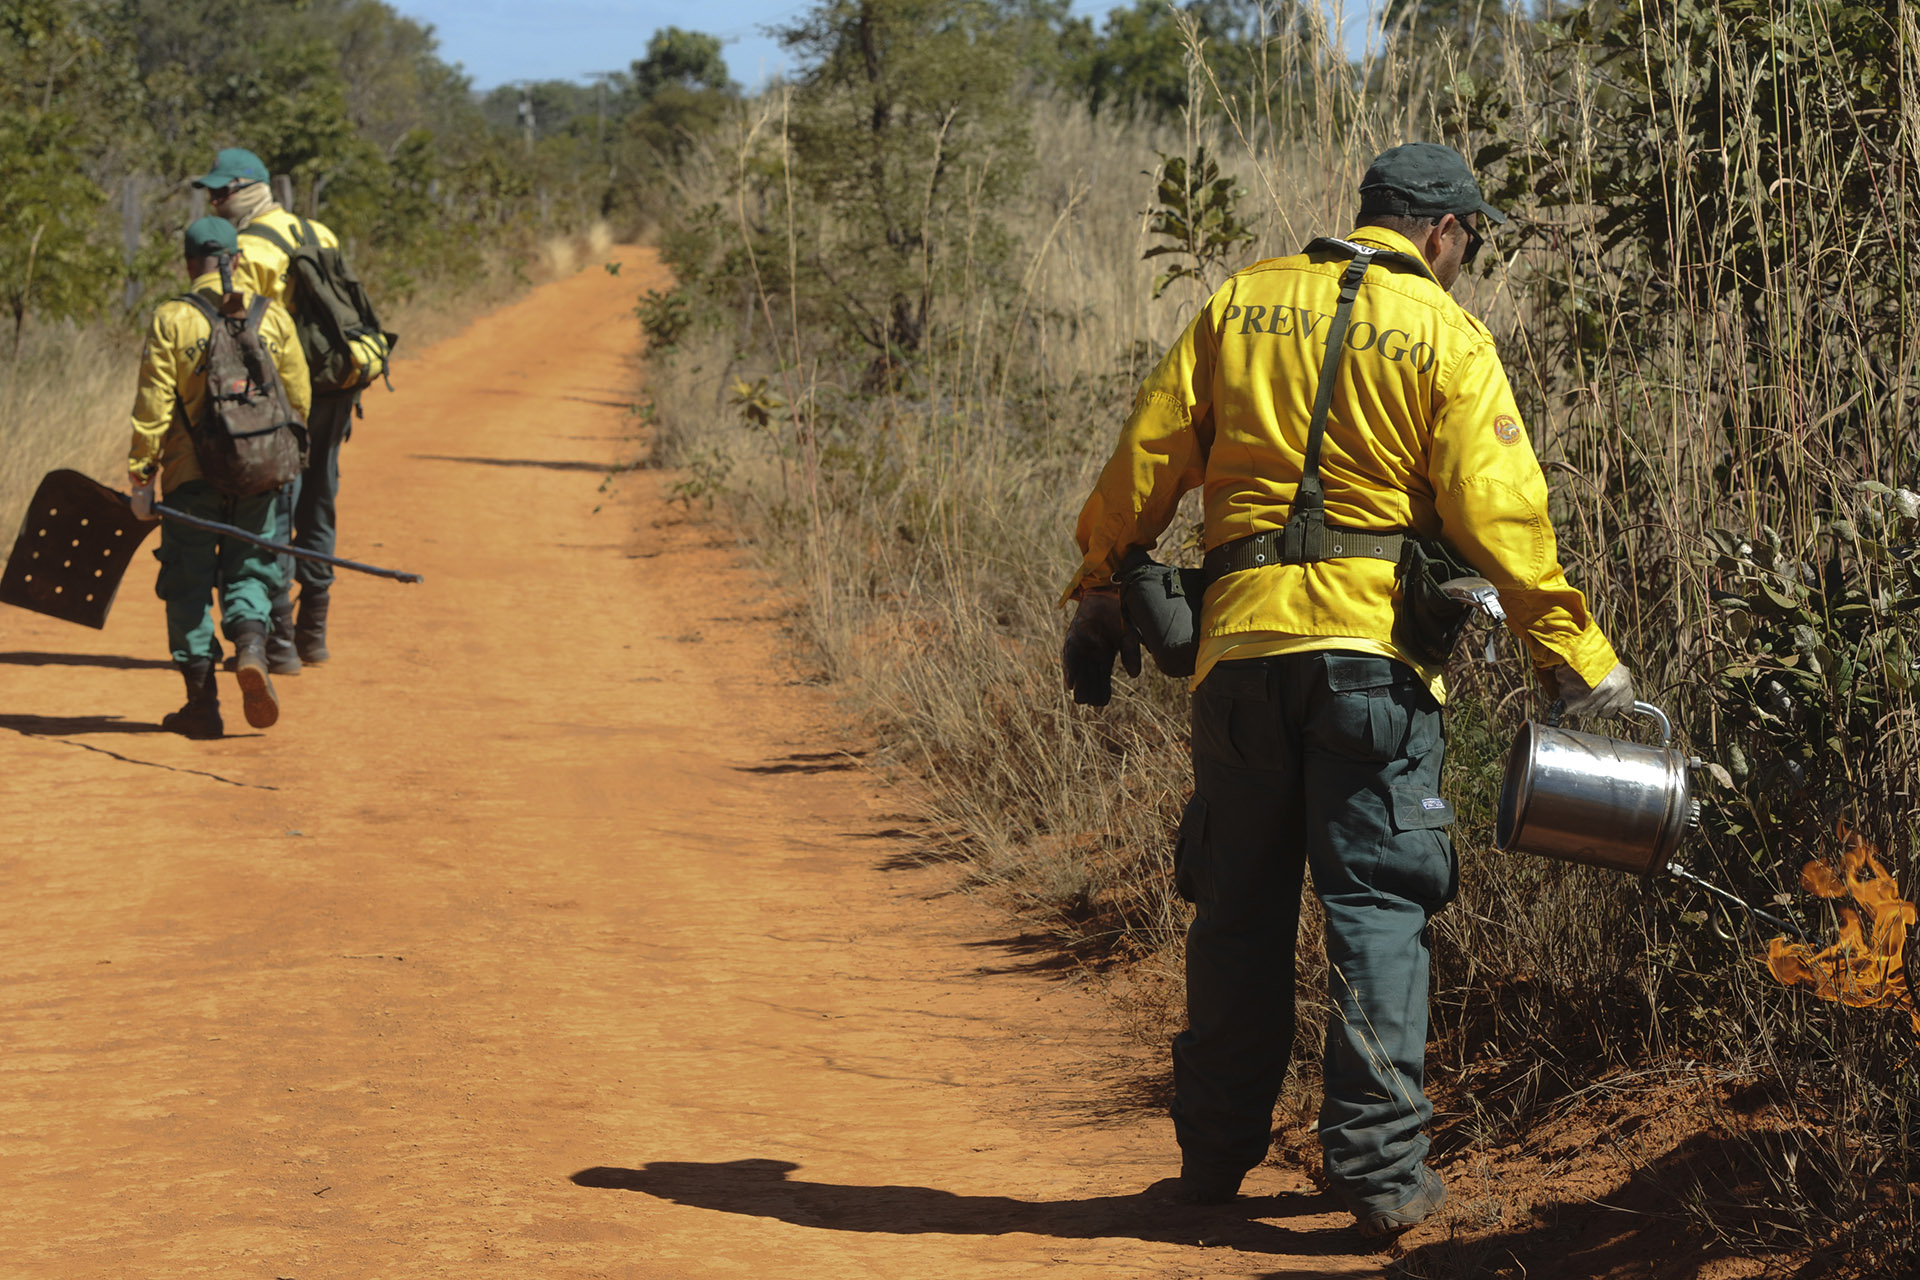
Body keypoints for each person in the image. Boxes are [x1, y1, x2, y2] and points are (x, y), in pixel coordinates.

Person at [1059, 143, 1634, 1236]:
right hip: (1373, 669)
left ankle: (1212, 1161)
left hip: (1237, 661)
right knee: (1377, 909)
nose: (1465, 262)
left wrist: (1097, 588)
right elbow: (1502, 522)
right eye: (1470, 242)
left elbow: (1145, 460)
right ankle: (1378, 1176)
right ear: (1439, 233)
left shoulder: (1243, 303)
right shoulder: (1446, 333)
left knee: (1237, 910)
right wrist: (1573, 660)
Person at [129, 216, 311, 738]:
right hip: (261, 472)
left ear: (190, 263)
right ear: (236, 259)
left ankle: (201, 703)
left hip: (191, 474)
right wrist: (282, 460)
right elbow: (298, 398)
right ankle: (252, 650)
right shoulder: (271, 317)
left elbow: (154, 406)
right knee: (251, 566)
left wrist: (142, 475)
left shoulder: (173, 319)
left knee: (187, 580)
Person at [192, 147, 350, 670]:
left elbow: (243, 334)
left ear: (251, 188)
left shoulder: (252, 250)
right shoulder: (318, 231)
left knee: (276, 506)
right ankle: (315, 633)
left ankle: (280, 643)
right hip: (336, 386)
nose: (215, 202)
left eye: (223, 191)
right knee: (321, 498)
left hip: (284, 399)